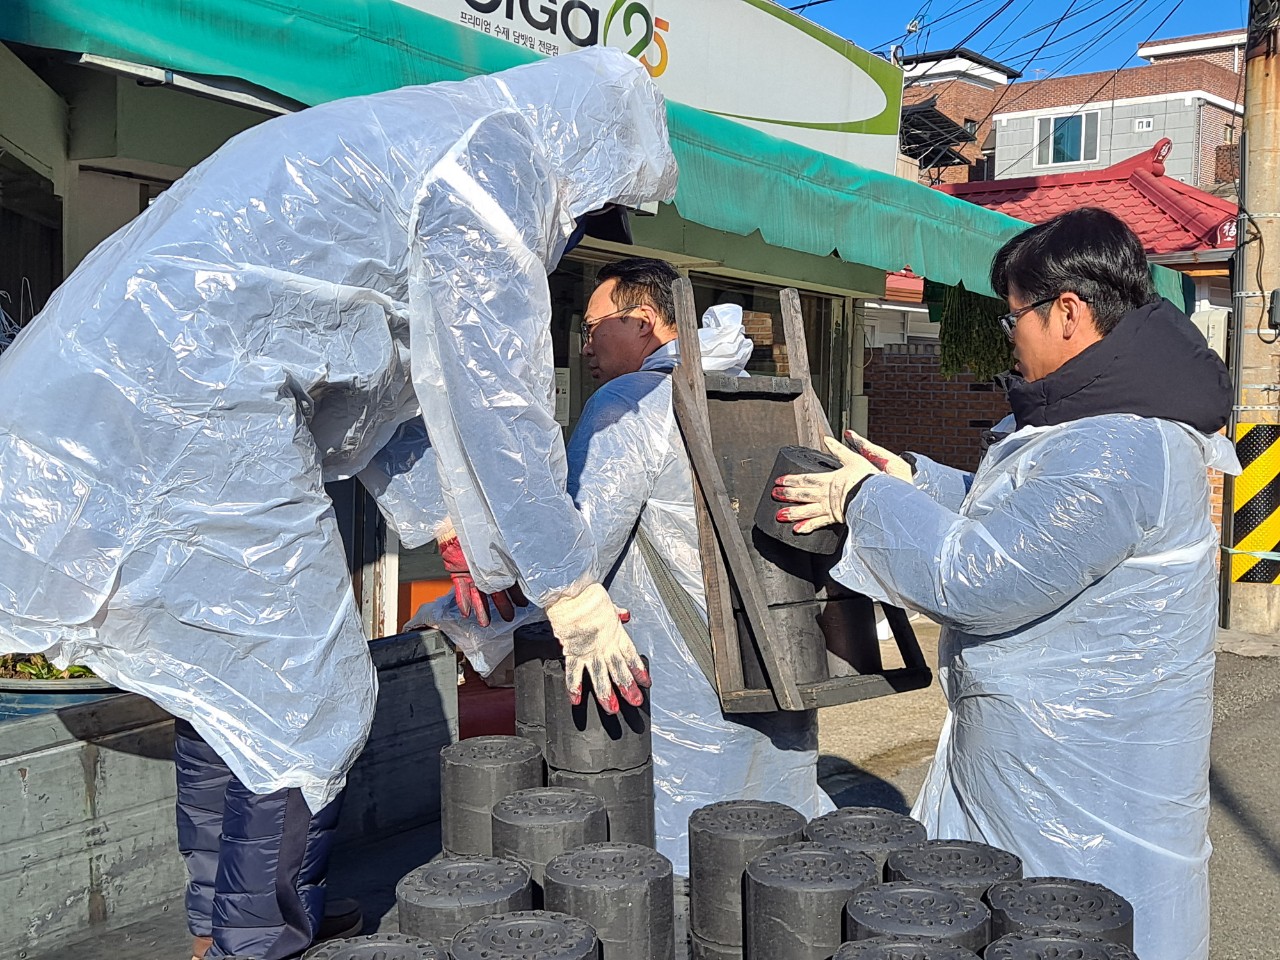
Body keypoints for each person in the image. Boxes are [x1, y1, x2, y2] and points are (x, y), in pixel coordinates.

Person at [0, 48, 675, 960]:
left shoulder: (420, 139)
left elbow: (371, 387)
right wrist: (570, 587)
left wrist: (448, 526)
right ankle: (255, 941)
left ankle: (223, 925)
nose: (587, 221)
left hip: (137, 399)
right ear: (590, 148)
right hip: (185, 409)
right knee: (305, 697)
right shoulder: (499, 158)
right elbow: (494, 393)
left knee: (228, 681)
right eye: (599, 202)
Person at [773, 207, 1236, 960]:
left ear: (1069, 312)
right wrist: (916, 483)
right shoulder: (1100, 422)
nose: (1007, 335)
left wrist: (863, 500)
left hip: (1078, 788)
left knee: (1066, 931)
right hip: (1042, 766)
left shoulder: (1118, 446)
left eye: (1011, 315)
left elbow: (979, 577)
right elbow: (1028, 523)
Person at [422, 257, 832, 873]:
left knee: (686, 869)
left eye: (593, 327)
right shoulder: (763, 394)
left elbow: (573, 549)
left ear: (643, 323)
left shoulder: (632, 401)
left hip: (682, 687)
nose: (585, 346)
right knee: (780, 865)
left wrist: (459, 614)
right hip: (779, 659)